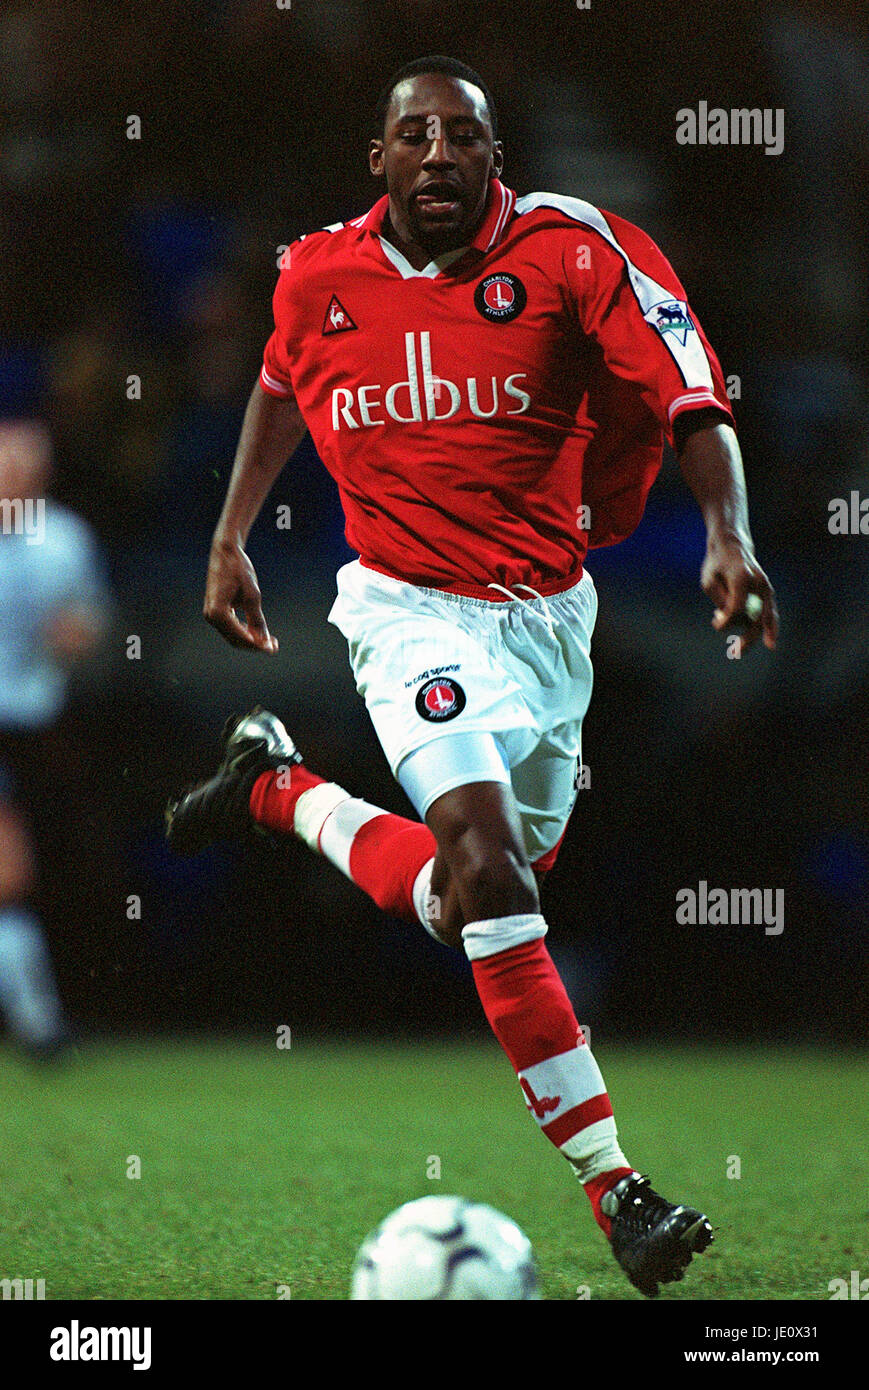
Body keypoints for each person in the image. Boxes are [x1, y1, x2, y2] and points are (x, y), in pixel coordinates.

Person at [166, 56, 778, 1297]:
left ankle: (277, 789)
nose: (437, 153)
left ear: (496, 159)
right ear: (378, 160)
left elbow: (690, 395)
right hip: (400, 613)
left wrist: (728, 535)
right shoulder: (314, 272)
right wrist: (231, 536)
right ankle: (617, 1187)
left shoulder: (573, 249)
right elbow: (280, 386)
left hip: (547, 621)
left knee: (471, 897)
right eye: (414, 135)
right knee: (492, 869)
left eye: (462, 136)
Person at [0, 419, 109, 1058]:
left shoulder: (65, 540)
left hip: (42, 728)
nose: (18, 474)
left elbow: (90, 618)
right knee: (10, 873)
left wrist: (80, 634)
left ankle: (45, 1017)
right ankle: (41, 1024)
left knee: (46, 874)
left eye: (29, 465)